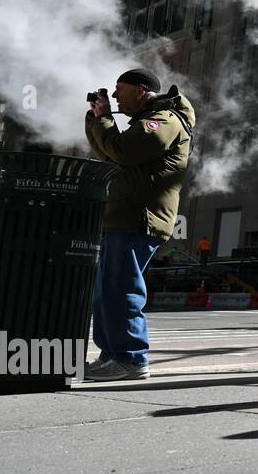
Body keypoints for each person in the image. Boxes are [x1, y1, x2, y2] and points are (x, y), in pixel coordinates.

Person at [82, 69, 195, 382]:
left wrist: (105, 118)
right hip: (124, 217)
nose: (116, 97)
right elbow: (108, 151)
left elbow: (122, 150)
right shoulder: (146, 122)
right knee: (107, 292)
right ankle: (112, 355)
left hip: (139, 218)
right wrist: (96, 118)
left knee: (121, 289)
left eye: (120, 90)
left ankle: (131, 358)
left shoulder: (165, 120)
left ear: (141, 90)